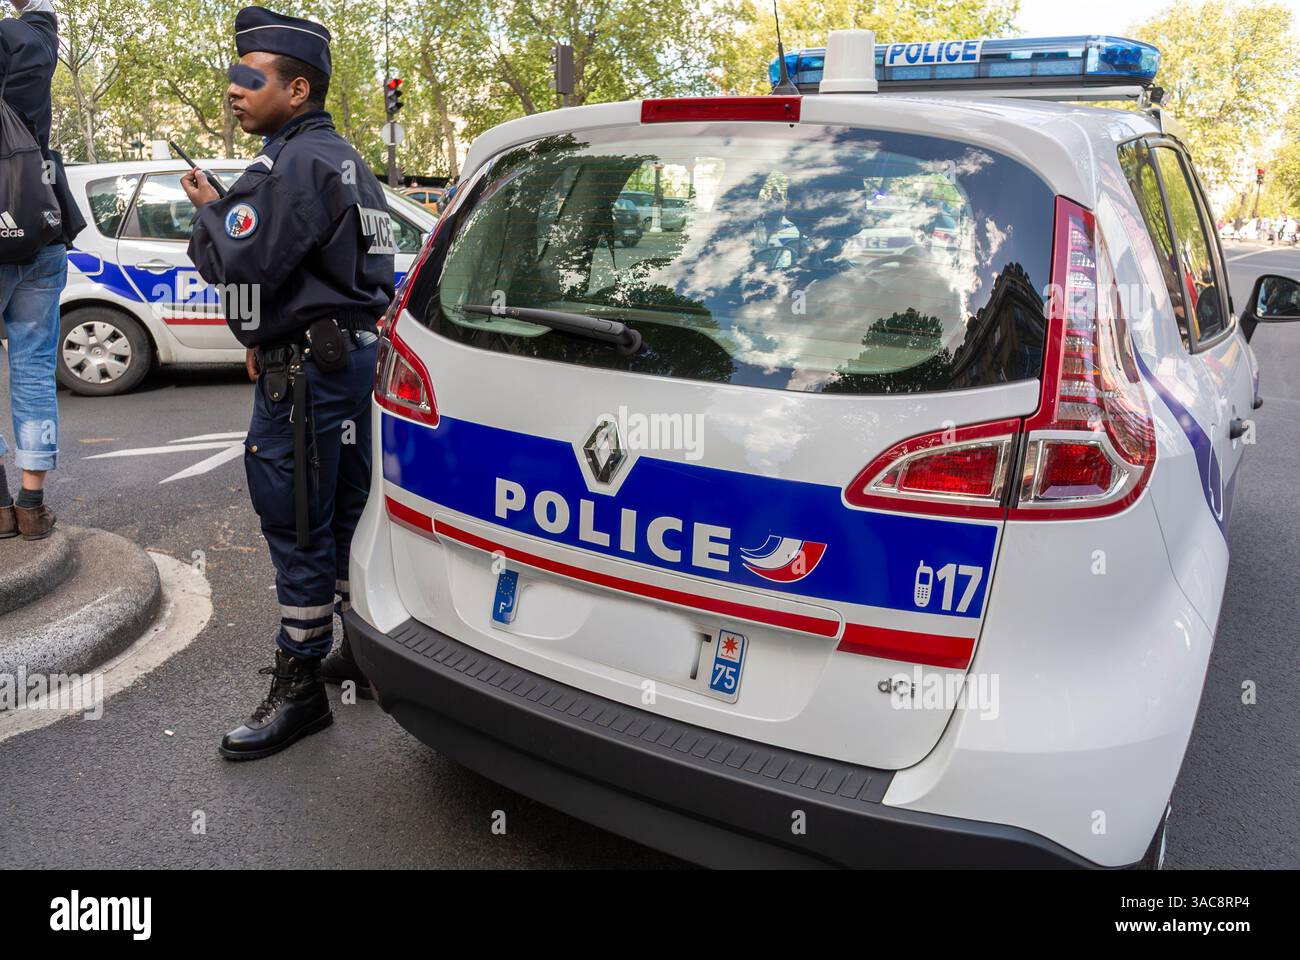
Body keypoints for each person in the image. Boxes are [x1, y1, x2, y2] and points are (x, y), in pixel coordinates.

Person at [181, 5, 394, 760]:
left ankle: (300, 691)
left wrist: (210, 210)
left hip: (306, 378)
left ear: (298, 89)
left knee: (297, 523)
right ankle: (362, 659)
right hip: (347, 364)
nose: (235, 91)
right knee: (342, 517)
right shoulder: (344, 157)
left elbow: (241, 266)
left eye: (251, 78)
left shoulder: (290, 164)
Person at [0, 0, 85, 541]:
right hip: (38, 224)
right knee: (32, 370)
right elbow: (38, 36)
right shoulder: (22, 42)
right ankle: (31, 505)